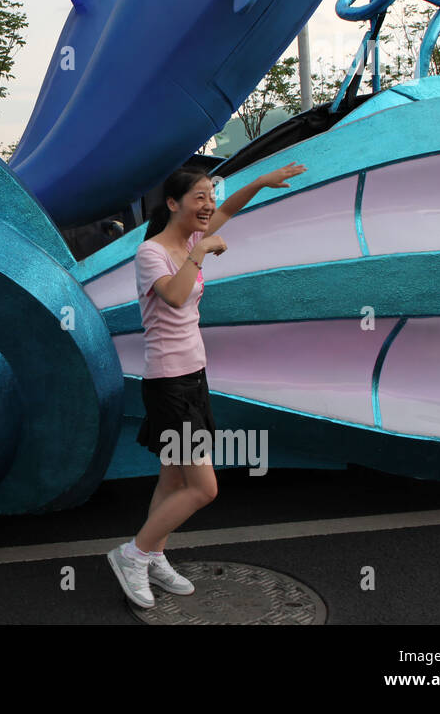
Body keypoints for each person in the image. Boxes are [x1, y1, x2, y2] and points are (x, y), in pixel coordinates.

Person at [108, 160, 306, 608]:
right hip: (168, 384)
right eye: (198, 198)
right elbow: (174, 297)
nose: (208, 206)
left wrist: (258, 182)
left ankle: (153, 554)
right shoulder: (153, 252)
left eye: (209, 198)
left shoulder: (191, 237)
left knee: (174, 477)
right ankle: (133, 554)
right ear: (173, 203)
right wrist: (200, 253)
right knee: (203, 488)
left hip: (193, 379)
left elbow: (230, 209)